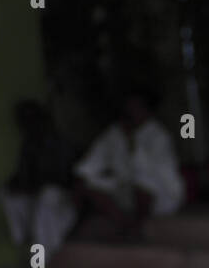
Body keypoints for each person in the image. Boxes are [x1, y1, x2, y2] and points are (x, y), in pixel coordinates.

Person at [73, 88, 185, 238]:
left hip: (160, 194)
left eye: (136, 107)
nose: (131, 111)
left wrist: (131, 142)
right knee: (86, 185)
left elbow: (148, 172)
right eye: (129, 106)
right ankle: (125, 224)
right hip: (125, 191)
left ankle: (138, 226)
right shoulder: (114, 133)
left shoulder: (158, 136)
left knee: (142, 183)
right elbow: (88, 167)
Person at [0, 100, 78, 258]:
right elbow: (23, 174)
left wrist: (34, 184)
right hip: (38, 192)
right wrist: (17, 184)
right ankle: (22, 240)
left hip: (61, 197)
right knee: (8, 194)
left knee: (47, 199)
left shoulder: (58, 141)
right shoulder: (29, 144)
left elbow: (62, 178)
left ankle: (42, 259)